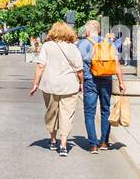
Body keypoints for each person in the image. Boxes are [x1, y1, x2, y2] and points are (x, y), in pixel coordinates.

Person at [29, 21, 83, 156]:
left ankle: (53, 141)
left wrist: (35, 84)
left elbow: (40, 66)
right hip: (69, 86)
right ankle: (63, 145)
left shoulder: (47, 46)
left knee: (51, 112)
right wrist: (81, 83)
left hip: (50, 85)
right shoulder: (73, 48)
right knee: (67, 114)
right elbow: (79, 70)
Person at [76, 21, 127, 153]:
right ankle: (104, 142)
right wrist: (121, 82)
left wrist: (79, 82)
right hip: (106, 79)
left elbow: (77, 66)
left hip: (89, 80)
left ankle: (93, 145)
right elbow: (116, 64)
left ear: (88, 31)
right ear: (98, 30)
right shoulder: (108, 43)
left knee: (89, 112)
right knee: (105, 110)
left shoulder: (81, 44)